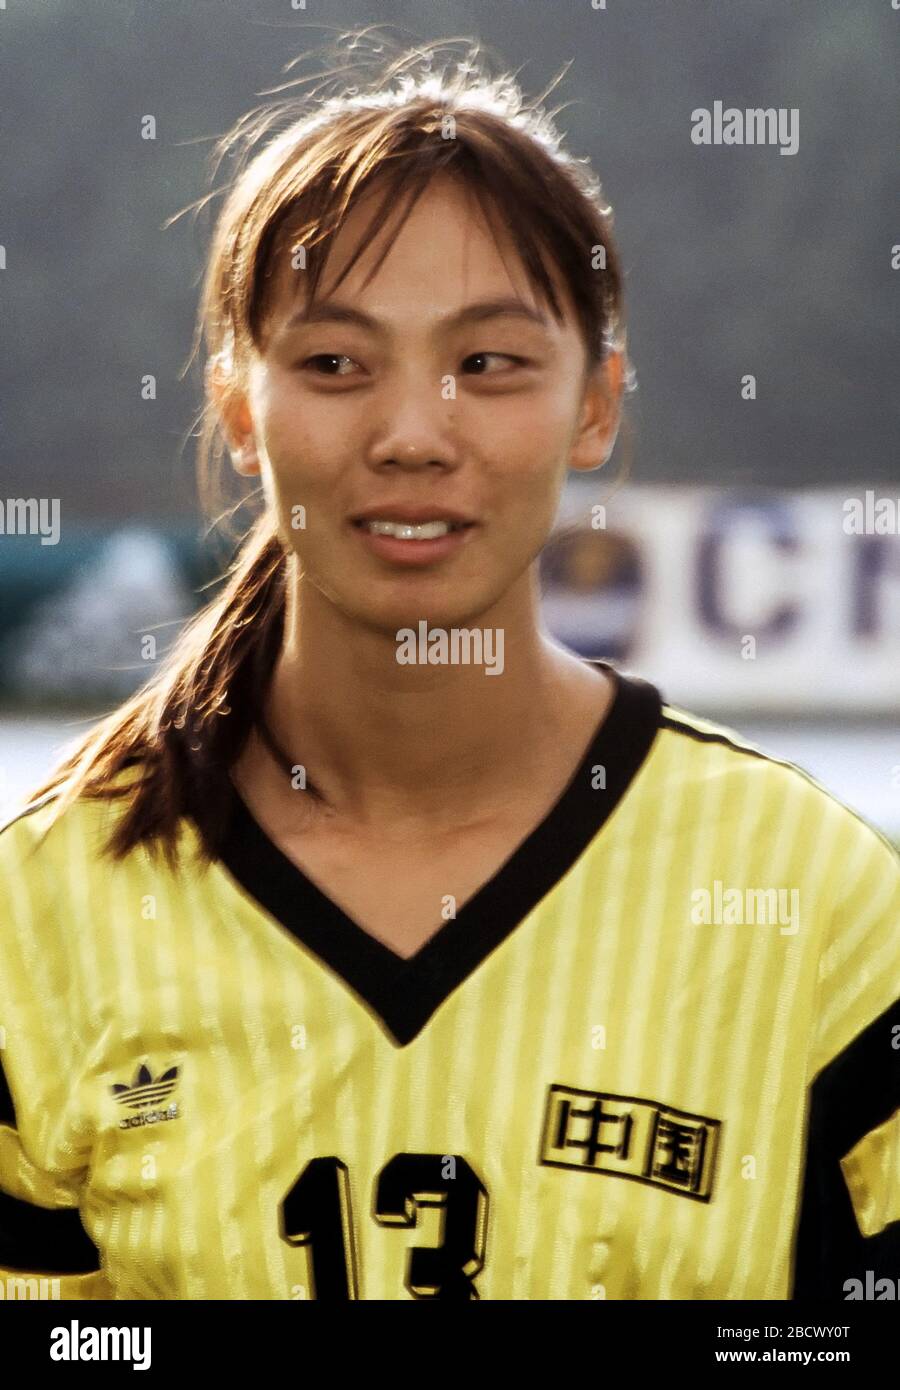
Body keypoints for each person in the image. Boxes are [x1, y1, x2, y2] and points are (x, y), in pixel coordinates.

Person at [1, 39, 897, 1301]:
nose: (414, 434)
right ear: (243, 413)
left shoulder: (821, 904)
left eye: (488, 363)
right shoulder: (39, 916)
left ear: (597, 404)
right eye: (333, 364)